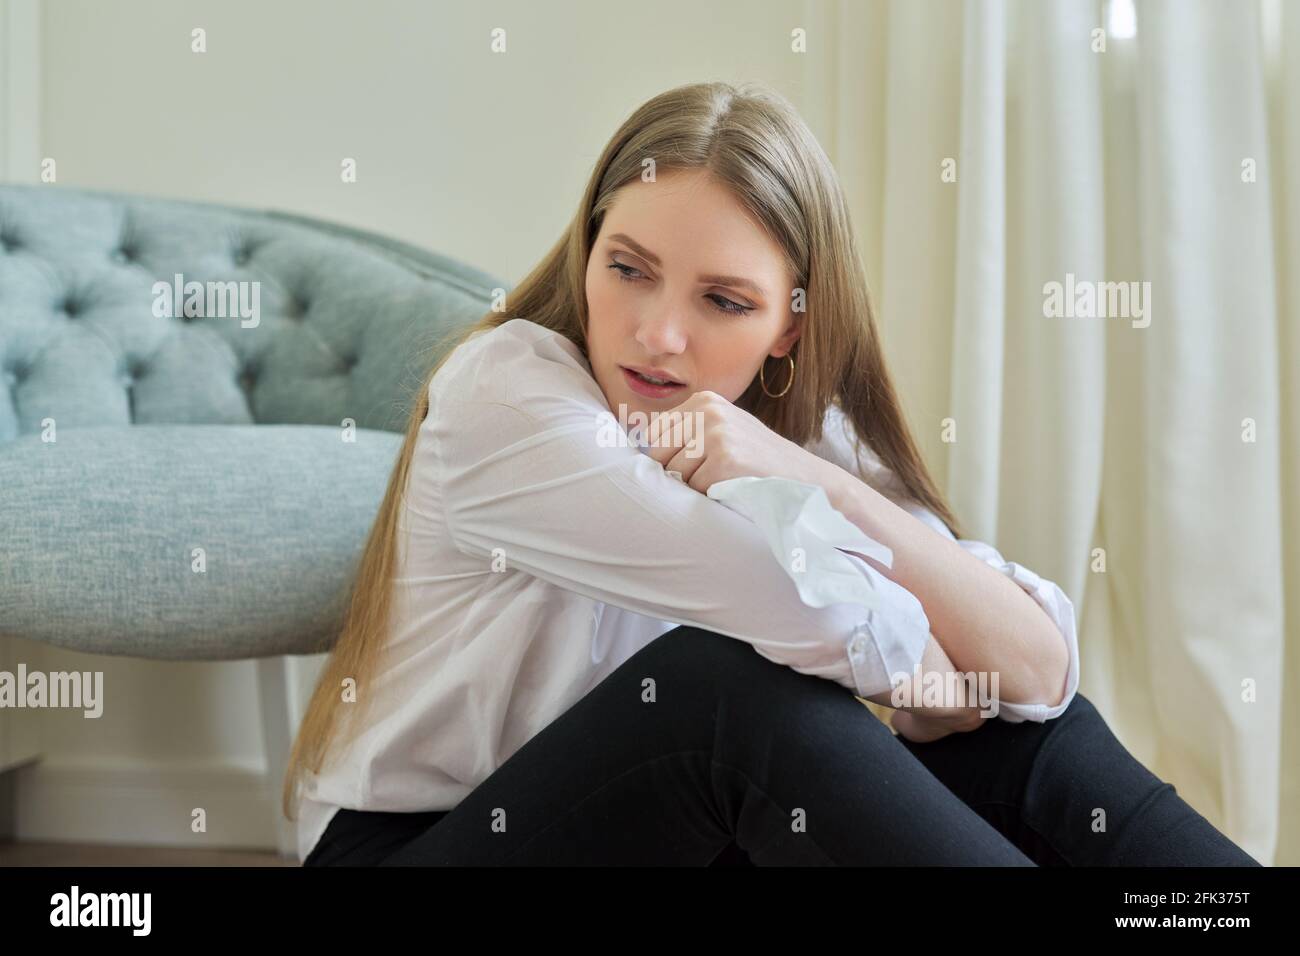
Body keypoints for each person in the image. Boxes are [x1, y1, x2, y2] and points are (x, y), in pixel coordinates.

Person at [285, 80, 1260, 867]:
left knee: (1010, 737)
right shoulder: (507, 395)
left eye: (722, 298)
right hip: (423, 843)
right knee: (718, 693)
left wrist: (817, 479)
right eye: (627, 267)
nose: (658, 332)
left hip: (669, 839)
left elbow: (1034, 670)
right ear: (586, 249)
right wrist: (921, 662)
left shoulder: (786, 431)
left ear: (788, 322)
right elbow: (825, 620)